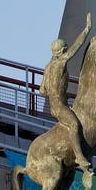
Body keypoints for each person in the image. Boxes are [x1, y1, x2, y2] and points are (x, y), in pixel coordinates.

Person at [40, 12, 92, 171]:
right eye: (65, 50)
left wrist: (57, 90)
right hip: (60, 107)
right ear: (62, 51)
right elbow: (77, 46)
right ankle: (79, 157)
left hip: (55, 106)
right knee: (75, 125)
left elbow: (42, 91)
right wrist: (87, 29)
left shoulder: (48, 67)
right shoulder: (61, 62)